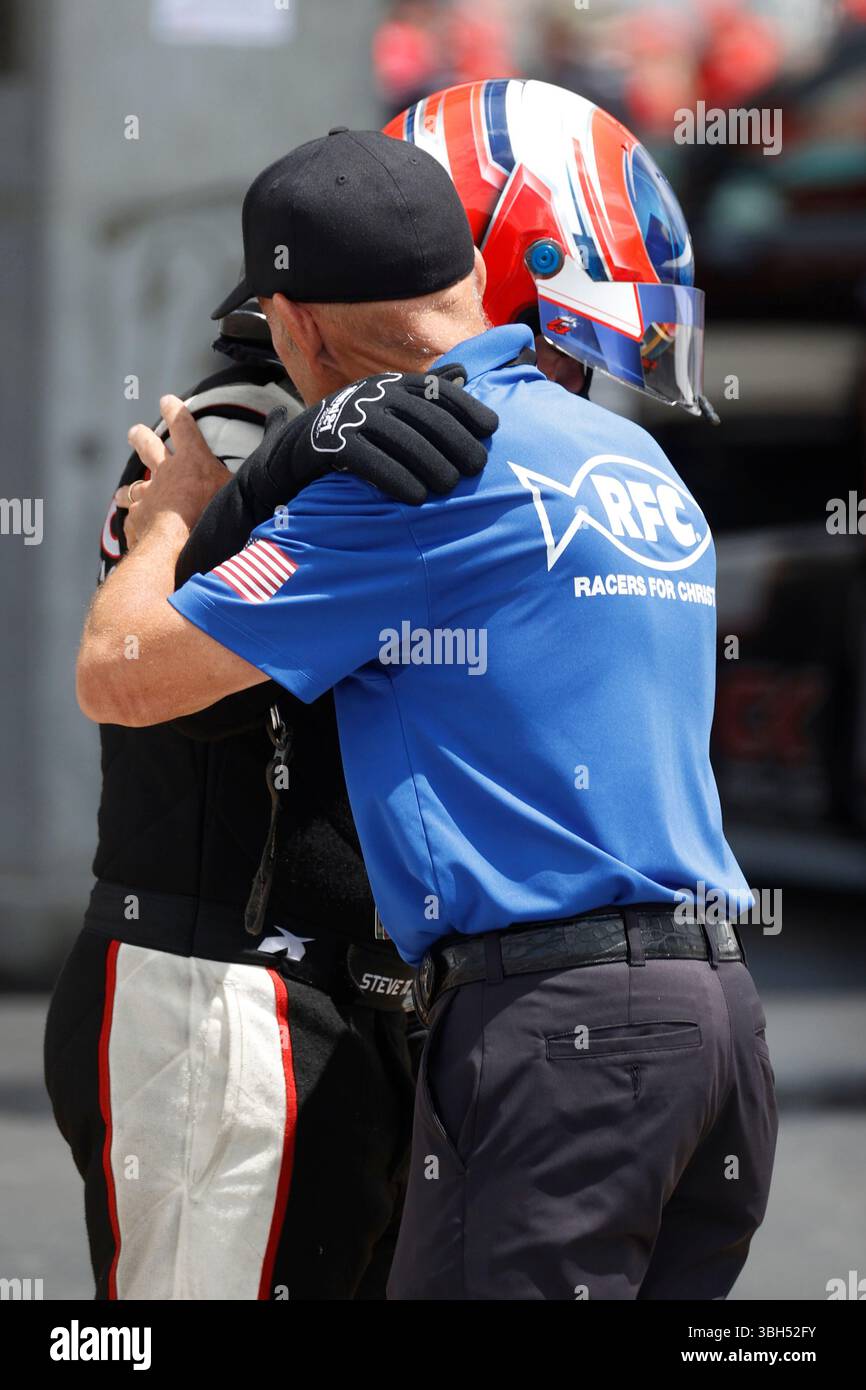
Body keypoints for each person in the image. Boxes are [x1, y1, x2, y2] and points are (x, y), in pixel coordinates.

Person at [76, 123, 777, 1301]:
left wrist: (168, 526)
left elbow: (125, 672)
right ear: (467, 284)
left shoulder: (403, 484)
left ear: (292, 325)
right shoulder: (623, 455)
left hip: (557, 1028)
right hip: (715, 1023)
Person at [44, 285, 496, 1297]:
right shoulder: (239, 429)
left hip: (350, 992)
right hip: (229, 990)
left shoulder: (384, 433)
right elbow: (143, 682)